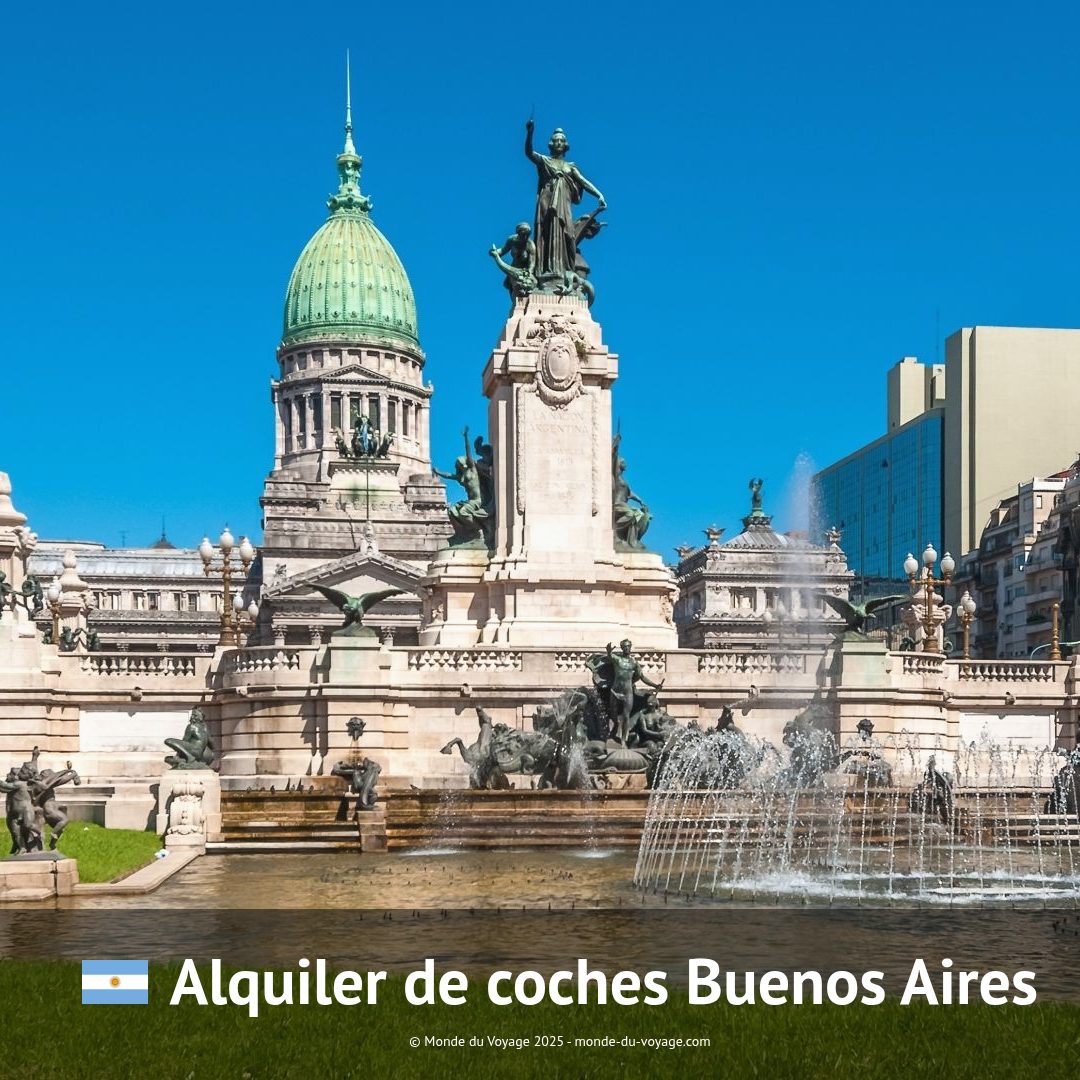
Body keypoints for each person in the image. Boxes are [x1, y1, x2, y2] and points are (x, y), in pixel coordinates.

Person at [525, 120, 605, 283]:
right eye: (555, 140)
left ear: (566, 145)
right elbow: (529, 152)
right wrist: (530, 133)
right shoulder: (545, 161)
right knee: (547, 233)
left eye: (561, 141)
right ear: (551, 144)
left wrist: (599, 195)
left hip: (563, 204)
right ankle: (546, 270)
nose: (558, 143)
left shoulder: (570, 166)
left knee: (566, 233)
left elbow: (583, 182)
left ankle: (563, 269)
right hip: (547, 202)